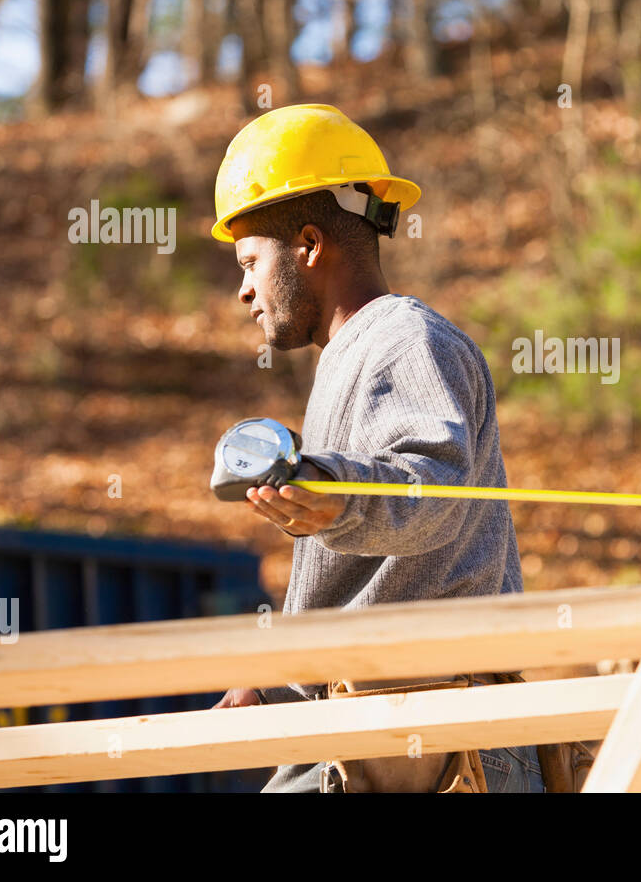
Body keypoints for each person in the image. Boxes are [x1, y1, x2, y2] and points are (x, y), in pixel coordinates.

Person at [208, 103, 542, 793]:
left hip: (432, 733)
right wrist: (277, 687)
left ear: (307, 244)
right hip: (386, 724)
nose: (242, 289)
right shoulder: (353, 356)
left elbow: (431, 487)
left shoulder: (406, 338)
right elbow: (371, 587)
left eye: (249, 261)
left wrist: (338, 496)